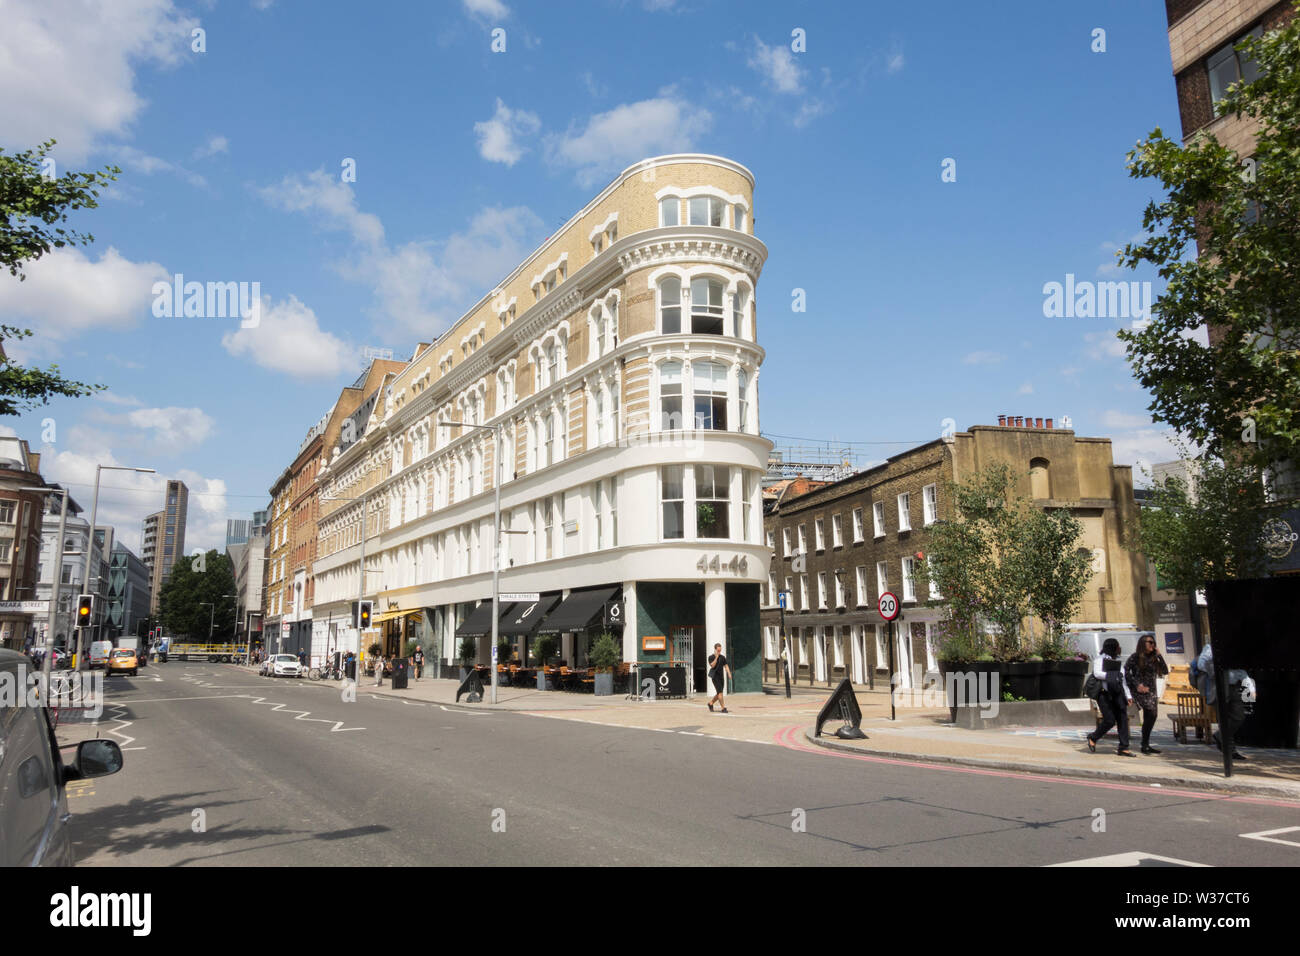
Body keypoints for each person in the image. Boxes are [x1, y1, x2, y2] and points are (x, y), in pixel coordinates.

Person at [1195, 644, 1248, 760]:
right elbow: (1201, 664)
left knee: (1239, 717)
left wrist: (1247, 682)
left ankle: (1220, 736)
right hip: (1218, 686)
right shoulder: (1211, 647)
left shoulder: (1234, 649)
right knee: (1223, 719)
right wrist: (1217, 666)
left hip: (1235, 686)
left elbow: (1240, 669)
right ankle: (1230, 750)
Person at [1087, 638, 1135, 757]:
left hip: (1118, 693)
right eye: (1118, 646)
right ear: (1113, 647)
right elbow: (1097, 673)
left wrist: (1128, 695)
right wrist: (1113, 675)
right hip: (1104, 694)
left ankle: (1124, 747)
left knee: (1122, 719)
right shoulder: (1100, 659)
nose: (1120, 649)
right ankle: (1093, 737)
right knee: (1109, 720)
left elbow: (1122, 680)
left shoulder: (1118, 660)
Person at [1126, 634, 1169, 754]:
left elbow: (1165, 671)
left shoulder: (1154, 657)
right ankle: (1144, 744)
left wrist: (1159, 655)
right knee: (1151, 713)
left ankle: (1145, 744)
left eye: (1153, 642)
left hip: (1151, 691)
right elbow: (1126, 671)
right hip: (1140, 690)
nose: (1152, 644)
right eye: (1150, 642)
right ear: (1142, 643)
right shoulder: (1135, 657)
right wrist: (1136, 684)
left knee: (1151, 716)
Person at [706, 643, 731, 713]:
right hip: (715, 677)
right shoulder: (711, 657)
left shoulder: (723, 657)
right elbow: (712, 665)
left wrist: (729, 673)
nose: (719, 652)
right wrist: (716, 657)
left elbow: (726, 665)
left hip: (721, 677)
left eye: (720, 650)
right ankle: (723, 708)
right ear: (715, 649)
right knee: (720, 693)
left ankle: (710, 703)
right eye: (718, 650)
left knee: (719, 693)